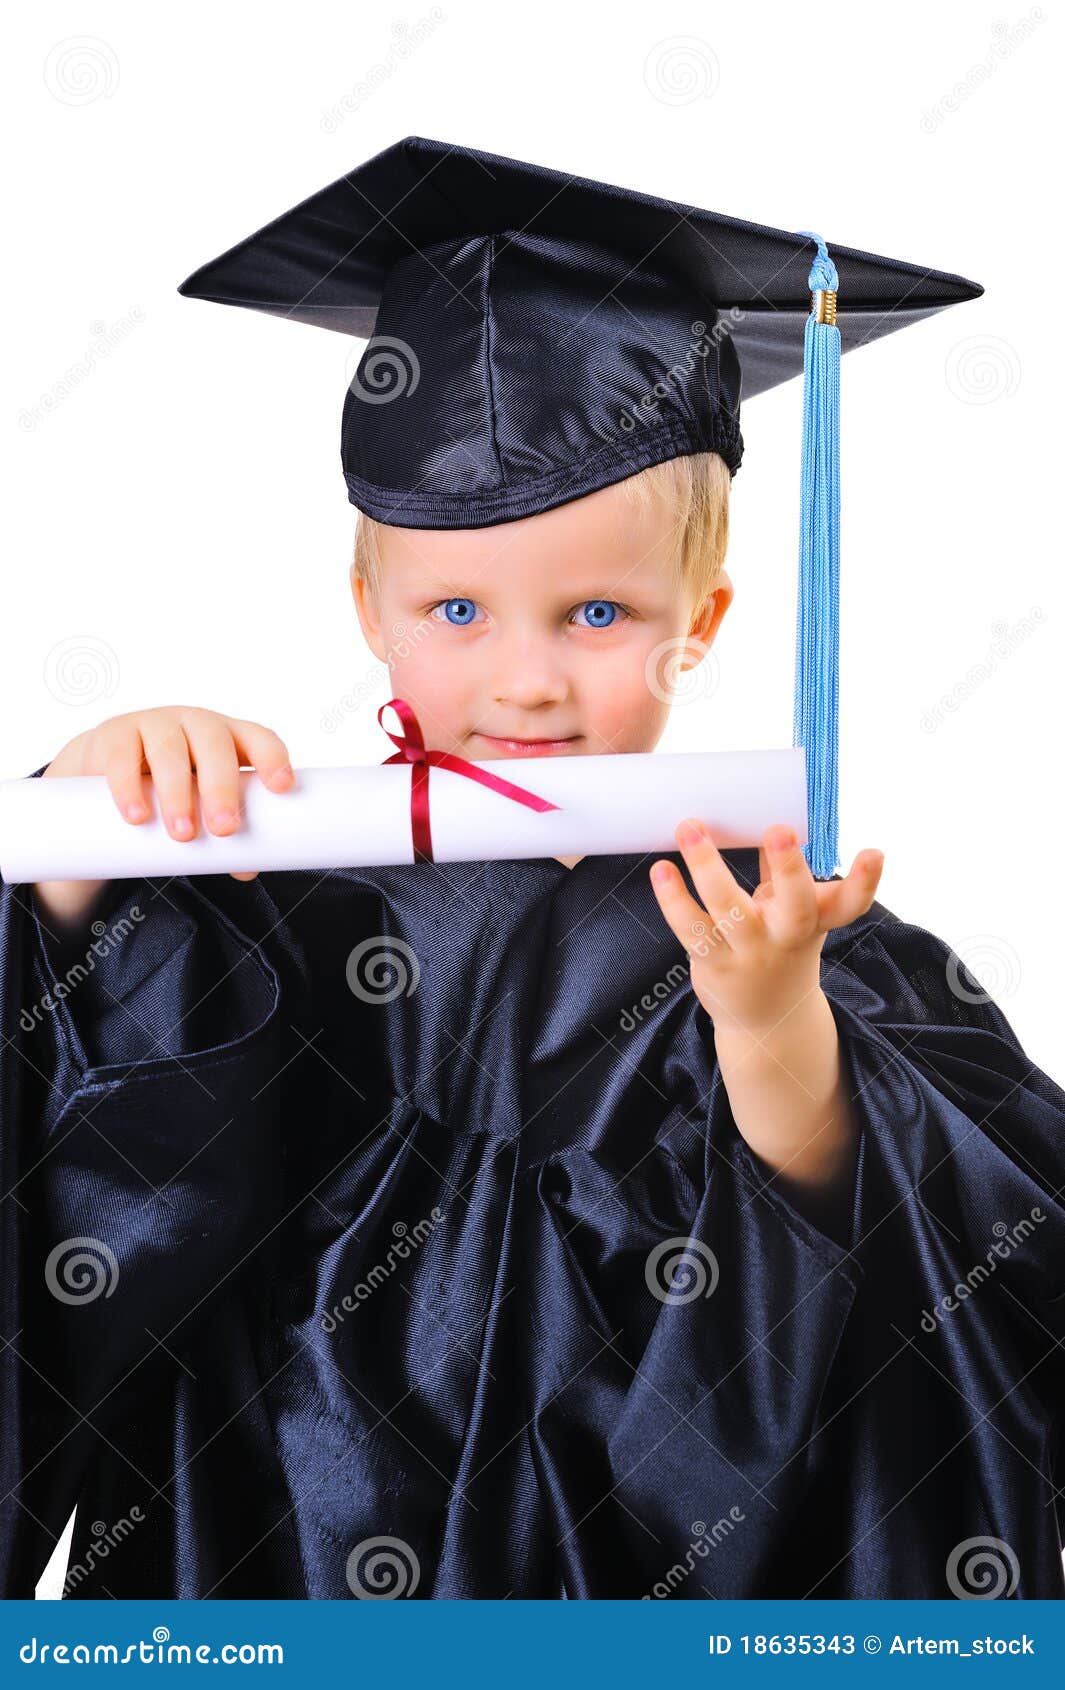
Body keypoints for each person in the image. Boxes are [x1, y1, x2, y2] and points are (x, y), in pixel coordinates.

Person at [1, 139, 1062, 1600]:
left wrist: (768, 1022)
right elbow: (93, 1138)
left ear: (706, 613)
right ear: (366, 610)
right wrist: (83, 840)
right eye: (454, 606)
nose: (526, 680)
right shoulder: (271, 904)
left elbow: (906, 1259)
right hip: (279, 1570)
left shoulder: (780, 922)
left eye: (599, 612)